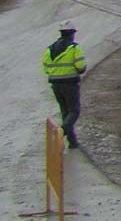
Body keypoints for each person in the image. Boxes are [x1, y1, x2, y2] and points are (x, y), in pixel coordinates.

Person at [41, 20, 86, 149]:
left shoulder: (50, 49)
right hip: (70, 84)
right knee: (74, 111)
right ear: (72, 34)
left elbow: (46, 68)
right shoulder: (74, 48)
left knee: (66, 112)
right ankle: (60, 133)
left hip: (56, 85)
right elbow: (81, 67)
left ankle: (73, 142)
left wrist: (56, 72)